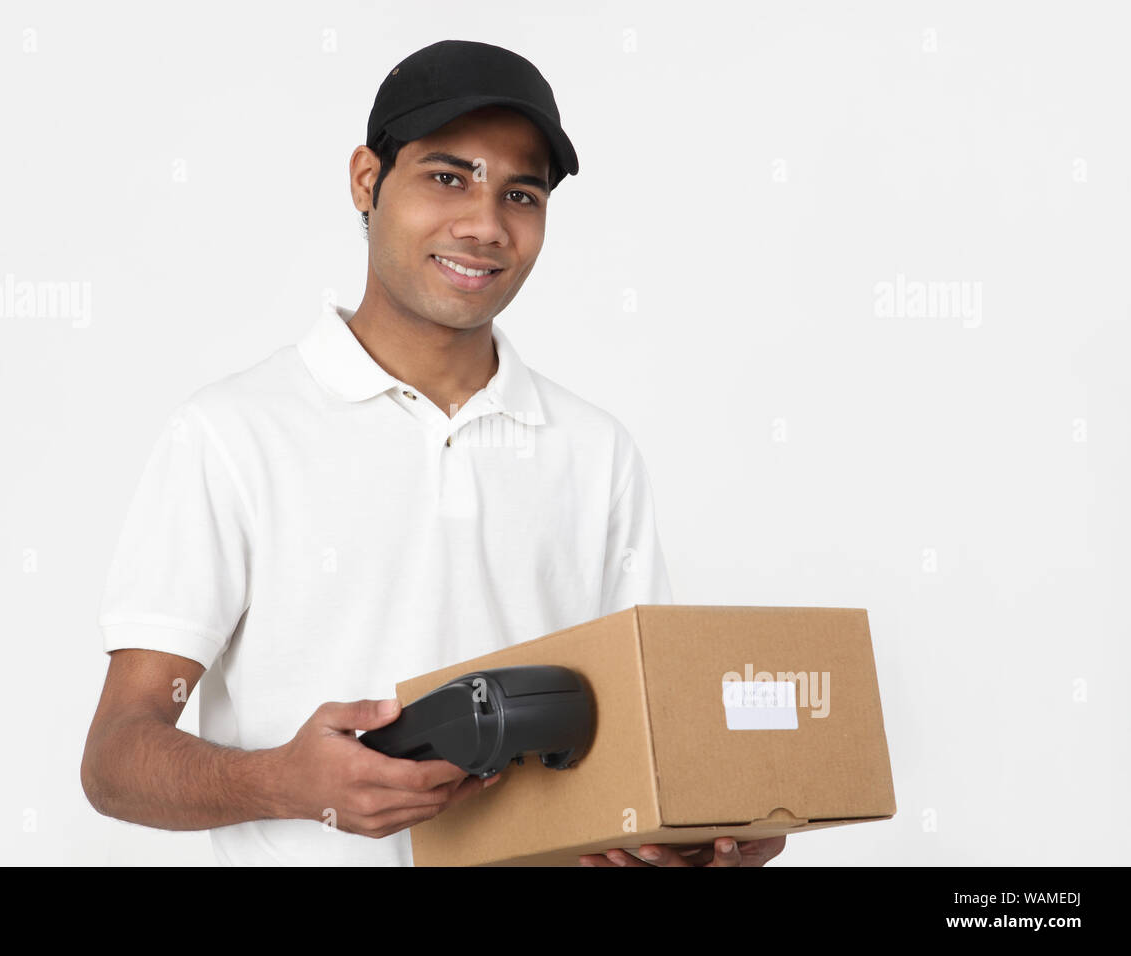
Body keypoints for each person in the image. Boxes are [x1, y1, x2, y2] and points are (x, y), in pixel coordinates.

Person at [80, 38, 783, 867]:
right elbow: (117, 757)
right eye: (448, 177)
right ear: (367, 182)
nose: (485, 225)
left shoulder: (596, 453)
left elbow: (647, 736)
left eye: (520, 194)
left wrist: (718, 834)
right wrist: (285, 783)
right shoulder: (232, 434)